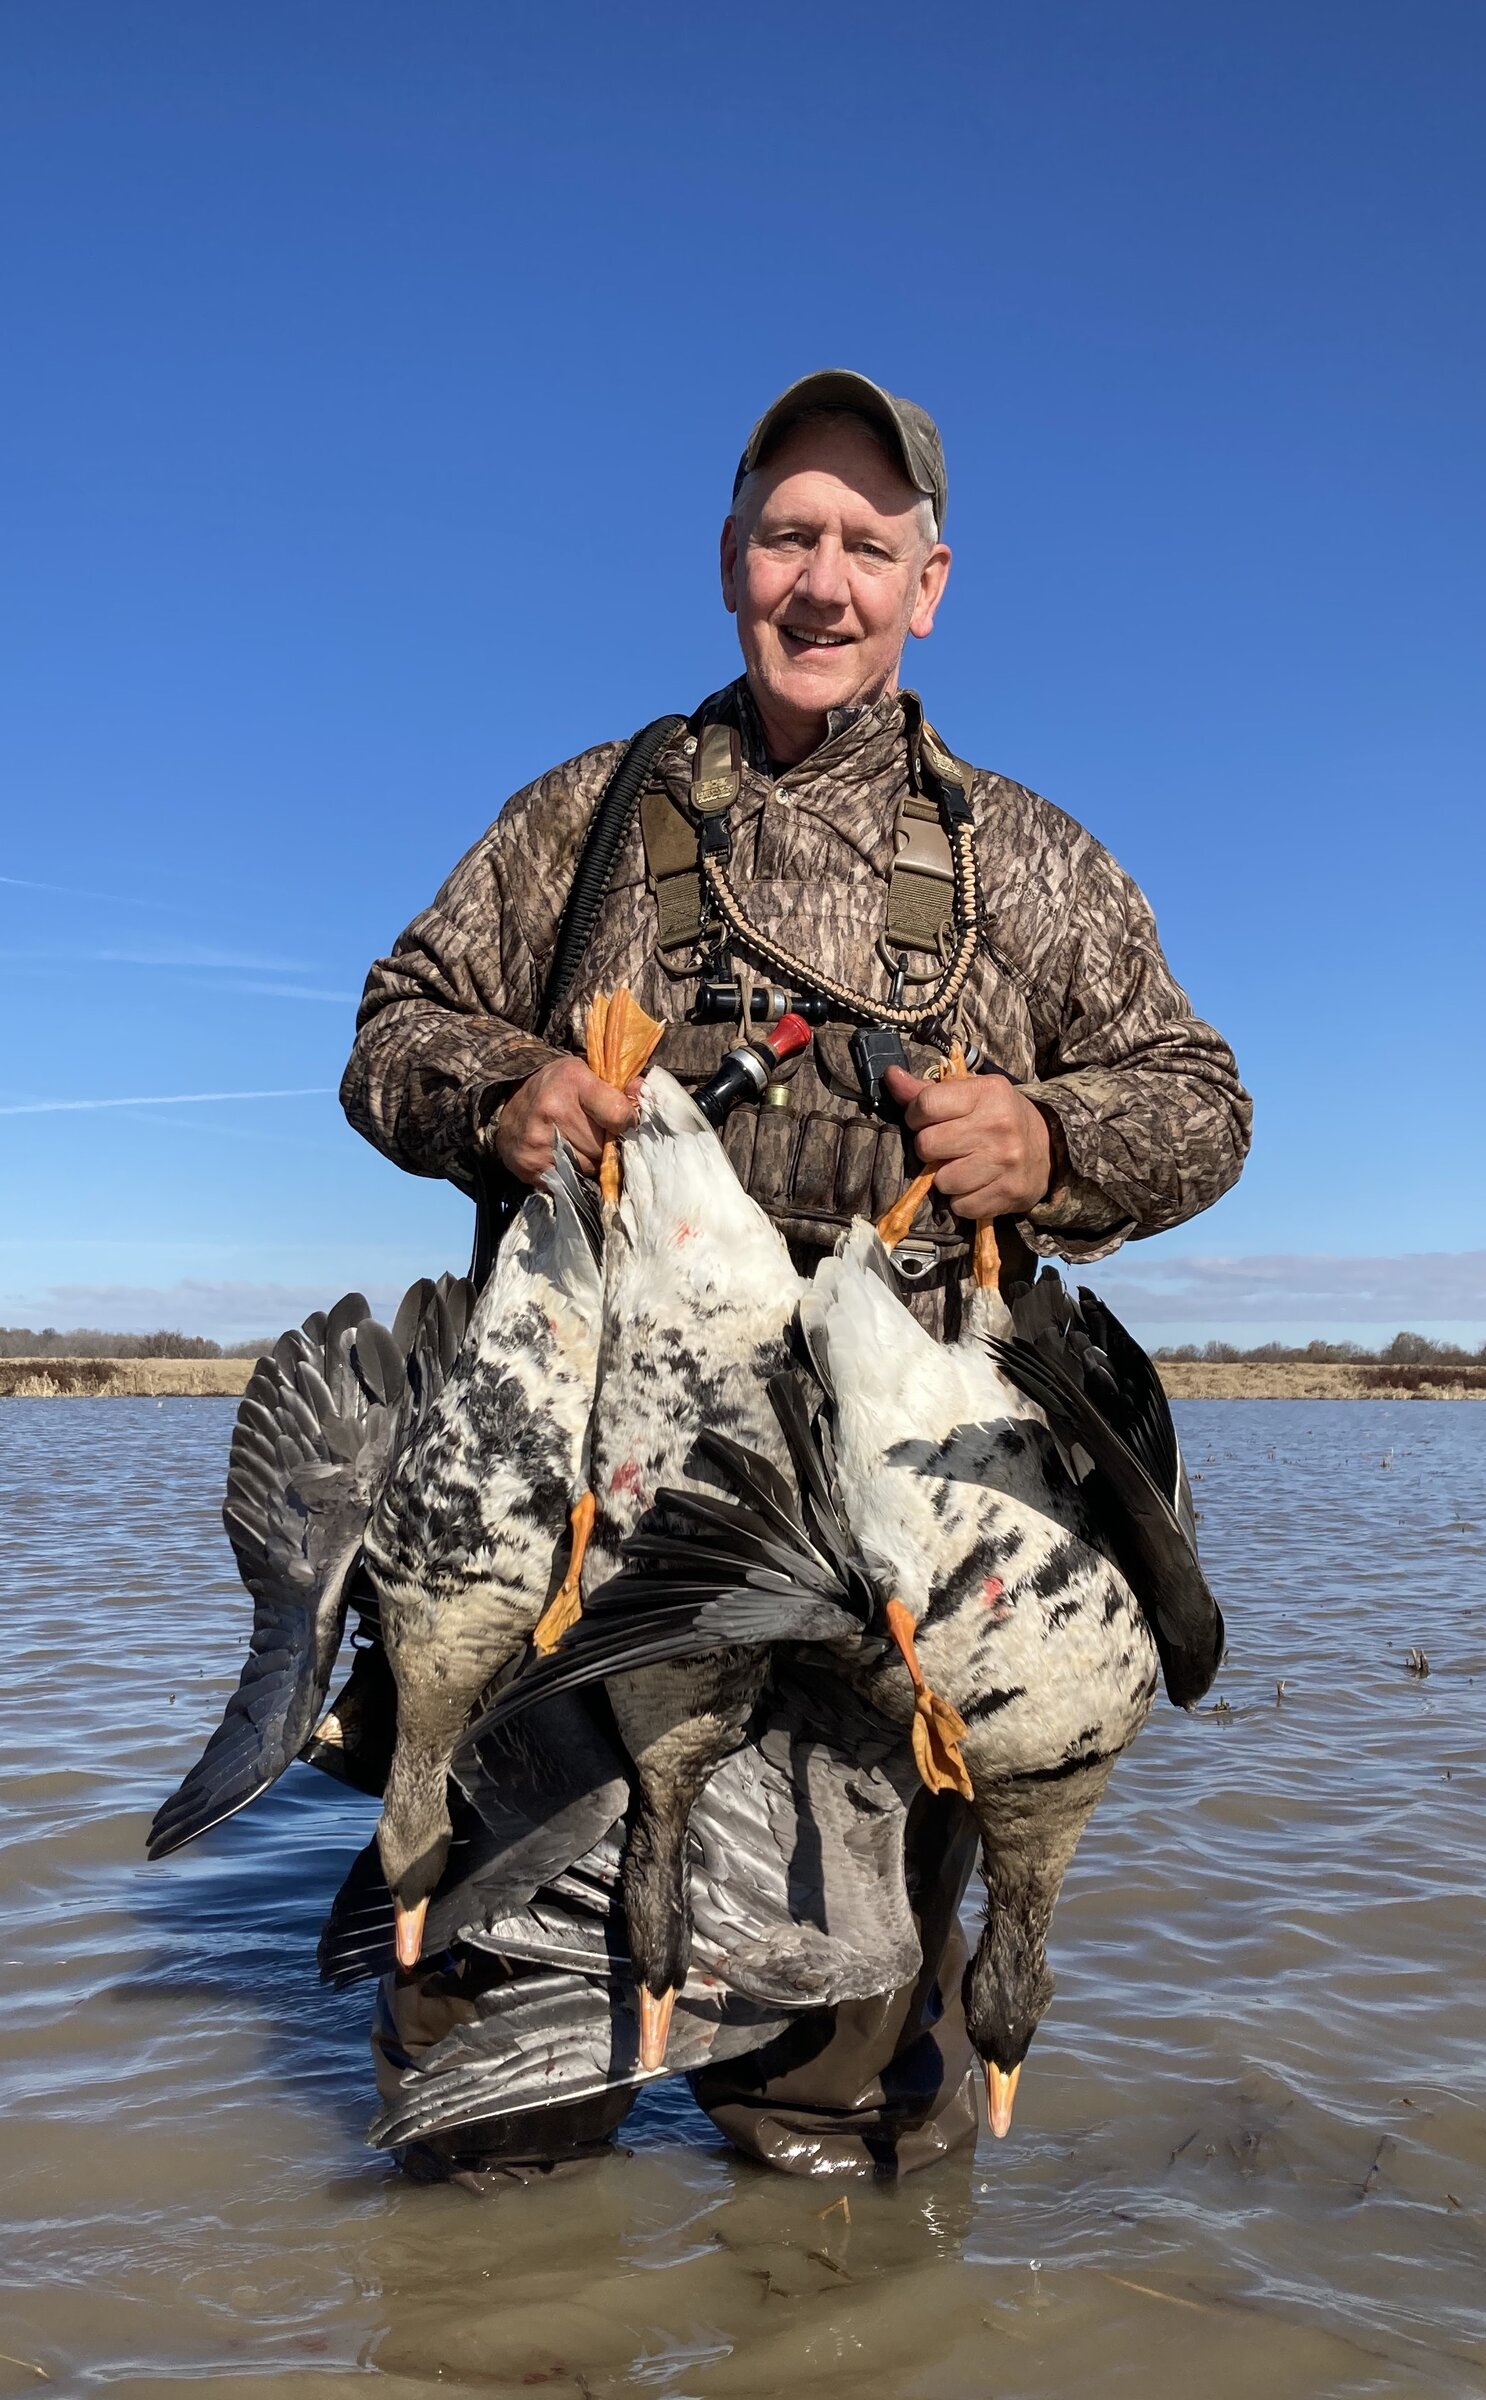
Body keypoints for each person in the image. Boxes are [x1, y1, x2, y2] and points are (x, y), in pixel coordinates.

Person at [342, 369, 1251, 2185]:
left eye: (864, 545)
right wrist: (500, 1097)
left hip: (895, 1566)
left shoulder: (1034, 869)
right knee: (498, 2096)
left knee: (836, 2106)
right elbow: (389, 1034)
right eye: (786, 537)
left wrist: (1050, 1147)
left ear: (929, 583)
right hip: (595, 1537)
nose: (820, 584)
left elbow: (1202, 1105)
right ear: (728, 561)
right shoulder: (576, 821)